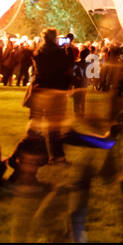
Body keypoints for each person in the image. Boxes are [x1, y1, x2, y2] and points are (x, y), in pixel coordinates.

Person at [30, 29, 74, 162]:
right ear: (54, 38)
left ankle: (35, 154)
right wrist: (68, 51)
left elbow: (37, 71)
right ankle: (57, 155)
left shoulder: (39, 52)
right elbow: (67, 69)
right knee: (54, 126)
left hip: (40, 89)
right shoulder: (59, 53)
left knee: (36, 125)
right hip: (56, 91)